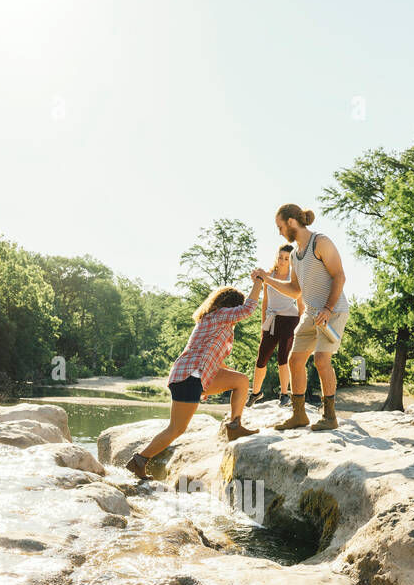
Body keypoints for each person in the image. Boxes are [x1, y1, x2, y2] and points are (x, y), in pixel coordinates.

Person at [125, 276, 262, 480]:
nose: (237, 314)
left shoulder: (213, 321)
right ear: (230, 305)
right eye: (237, 307)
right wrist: (258, 283)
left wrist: (224, 374)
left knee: (240, 381)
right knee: (176, 429)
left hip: (194, 376)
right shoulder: (219, 316)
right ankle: (139, 461)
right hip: (189, 377)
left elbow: (211, 356)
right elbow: (248, 310)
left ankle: (234, 426)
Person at [252, 203, 348, 431]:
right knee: (294, 361)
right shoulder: (295, 255)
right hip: (311, 313)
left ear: (291, 222)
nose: (279, 232)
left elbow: (340, 276)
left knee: (322, 360)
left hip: (333, 311)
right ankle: (299, 415)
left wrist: (327, 307)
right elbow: (295, 290)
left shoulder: (320, 242)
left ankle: (330, 416)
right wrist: (266, 279)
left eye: (280, 226)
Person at [246, 243, 303, 409]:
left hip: (290, 320)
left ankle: (284, 394)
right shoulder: (268, 275)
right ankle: (256, 393)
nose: (283, 261)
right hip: (271, 321)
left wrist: (301, 326)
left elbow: (300, 304)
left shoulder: (294, 277)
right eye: (280, 257)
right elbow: (265, 302)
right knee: (261, 358)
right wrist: (263, 325)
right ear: (276, 257)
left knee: (283, 358)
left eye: (286, 258)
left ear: (291, 260)